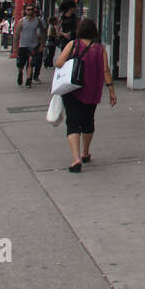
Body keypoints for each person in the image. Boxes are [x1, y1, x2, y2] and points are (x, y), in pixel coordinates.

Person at [55, 17, 116, 173]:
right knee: (88, 121)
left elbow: (59, 63)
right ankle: (85, 152)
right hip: (92, 90)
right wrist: (111, 91)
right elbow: (106, 71)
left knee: (73, 122)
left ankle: (75, 159)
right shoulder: (100, 49)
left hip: (73, 89)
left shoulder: (73, 45)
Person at [15, 3, 45, 87]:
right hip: (23, 45)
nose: (30, 11)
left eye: (32, 9)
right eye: (28, 9)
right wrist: (15, 48)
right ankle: (20, 73)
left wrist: (42, 45)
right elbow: (16, 35)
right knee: (21, 64)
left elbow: (43, 32)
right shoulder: (21, 21)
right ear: (25, 11)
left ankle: (28, 81)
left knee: (31, 63)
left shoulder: (37, 21)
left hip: (33, 45)